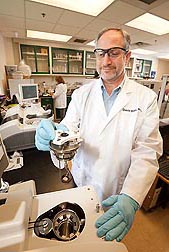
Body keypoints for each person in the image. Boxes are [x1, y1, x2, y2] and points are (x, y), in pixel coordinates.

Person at [35, 28, 162, 242]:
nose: (106, 61)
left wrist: (131, 197)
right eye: (100, 53)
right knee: (79, 236)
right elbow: (67, 130)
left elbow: (147, 151)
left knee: (107, 239)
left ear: (127, 56)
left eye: (113, 53)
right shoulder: (82, 94)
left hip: (117, 189)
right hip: (81, 179)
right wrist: (54, 138)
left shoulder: (145, 98)